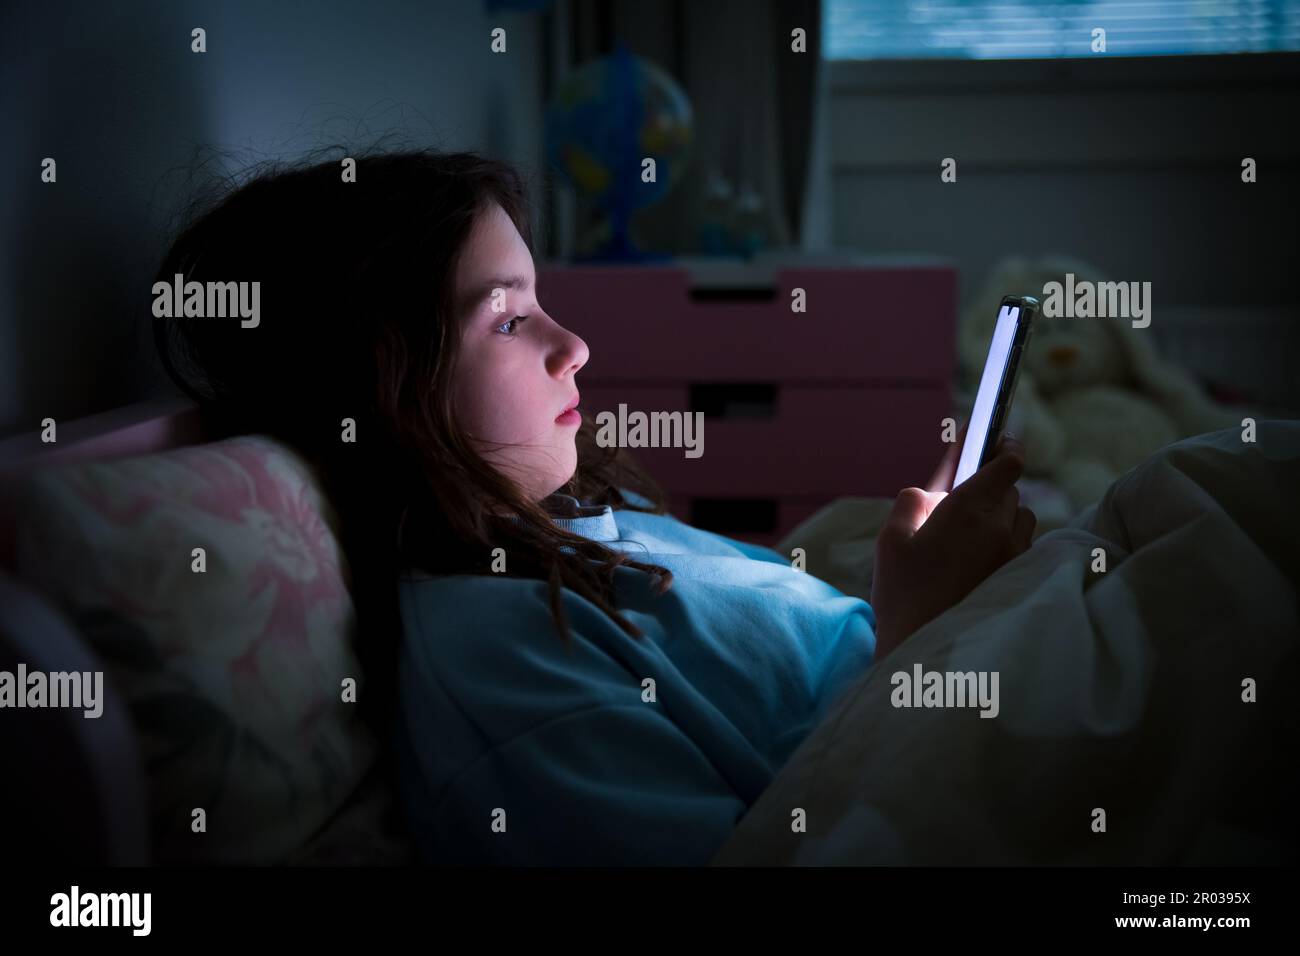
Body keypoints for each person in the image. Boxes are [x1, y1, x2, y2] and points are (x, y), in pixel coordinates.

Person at [153, 148, 1035, 866]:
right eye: (507, 322)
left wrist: (918, 593)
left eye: (543, 306)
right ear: (384, 393)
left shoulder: (560, 523)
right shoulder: (502, 658)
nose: (574, 347)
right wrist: (923, 637)